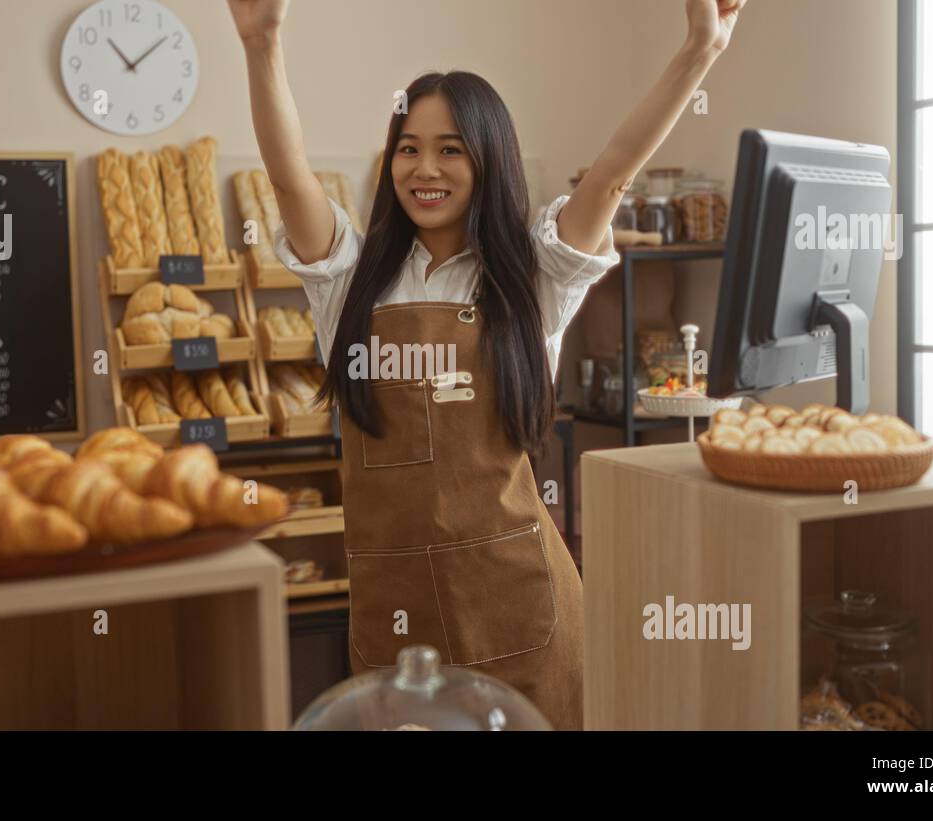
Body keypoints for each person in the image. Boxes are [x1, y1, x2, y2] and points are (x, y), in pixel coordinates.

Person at [228, 0, 747, 729]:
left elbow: (609, 179)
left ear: (488, 158)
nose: (425, 168)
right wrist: (263, 42)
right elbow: (287, 181)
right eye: (409, 148)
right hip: (393, 609)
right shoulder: (349, 278)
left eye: (451, 149)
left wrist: (700, 51)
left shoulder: (534, 275)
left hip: (524, 606)